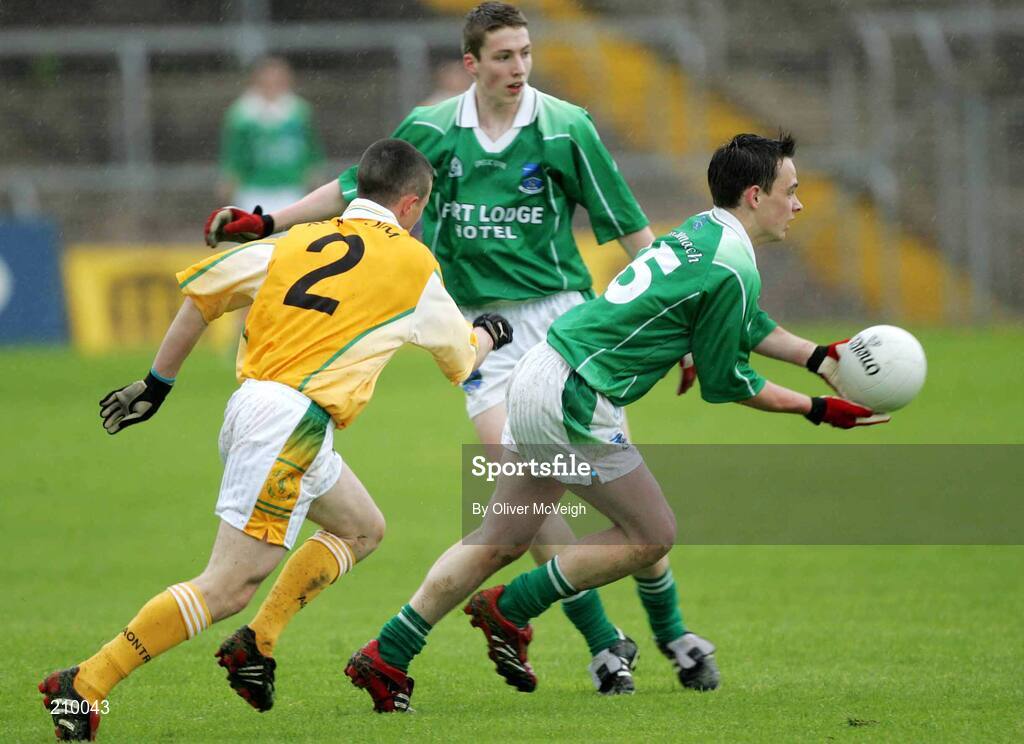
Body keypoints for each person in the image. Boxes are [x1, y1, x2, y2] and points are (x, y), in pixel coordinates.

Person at [203, 1, 706, 697]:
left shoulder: (566, 126)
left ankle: (671, 631)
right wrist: (267, 220)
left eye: (526, 54)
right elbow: (355, 188)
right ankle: (600, 643)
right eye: (504, 56)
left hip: (565, 326)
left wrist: (669, 314)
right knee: (522, 489)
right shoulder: (433, 128)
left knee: (622, 497)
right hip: (482, 334)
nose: (518, 68)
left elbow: (629, 226)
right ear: (472, 64)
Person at [343, 132, 890, 712]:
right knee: (652, 533)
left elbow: (744, 320)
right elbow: (728, 380)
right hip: (576, 397)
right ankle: (512, 608)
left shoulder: (702, 231)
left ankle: (388, 652)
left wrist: (817, 358)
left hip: (539, 374)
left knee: (498, 540)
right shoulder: (734, 266)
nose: (799, 204)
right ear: (756, 195)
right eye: (792, 191)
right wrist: (818, 409)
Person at [38, 139, 512, 740]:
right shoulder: (414, 264)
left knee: (361, 527)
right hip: (290, 423)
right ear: (412, 205)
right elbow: (464, 362)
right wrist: (490, 331)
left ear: (359, 189)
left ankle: (256, 646)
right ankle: (85, 684)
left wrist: (157, 385)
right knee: (228, 584)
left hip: (258, 410)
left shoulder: (300, 239)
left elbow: (202, 296)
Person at [217, 56, 325, 214]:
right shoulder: (242, 114)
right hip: (254, 188)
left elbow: (311, 148)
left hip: (291, 187)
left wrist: (314, 175)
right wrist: (230, 180)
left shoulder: (299, 111)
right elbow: (234, 154)